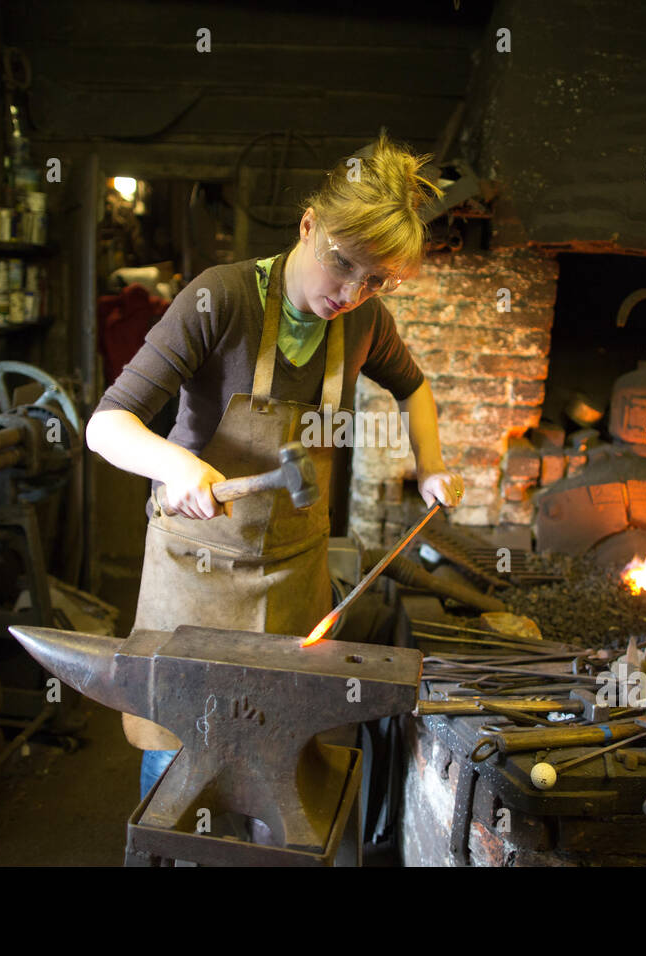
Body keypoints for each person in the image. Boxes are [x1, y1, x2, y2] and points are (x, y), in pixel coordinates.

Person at [86, 132, 465, 806]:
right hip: (196, 568)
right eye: (344, 264)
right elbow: (107, 423)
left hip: (295, 567)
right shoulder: (220, 299)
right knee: (179, 744)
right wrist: (175, 463)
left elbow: (414, 387)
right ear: (308, 225)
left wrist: (430, 466)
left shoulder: (366, 323)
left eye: (376, 280)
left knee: (279, 748)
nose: (353, 291)